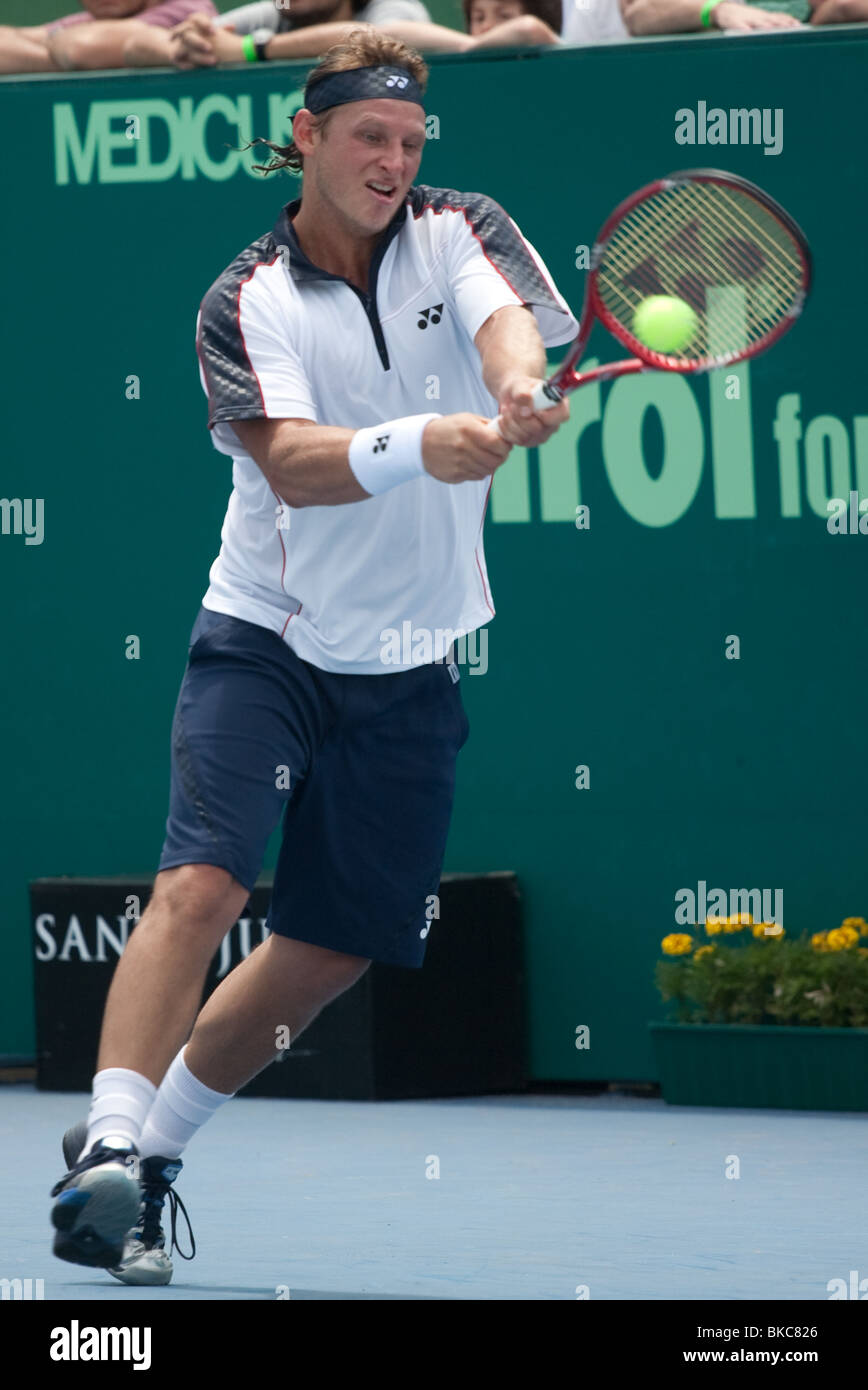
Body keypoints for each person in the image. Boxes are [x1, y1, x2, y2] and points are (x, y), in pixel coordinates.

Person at [48, 28, 576, 1286]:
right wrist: (419, 444)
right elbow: (289, 458)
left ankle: (150, 1161)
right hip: (265, 641)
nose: (393, 161)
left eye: (409, 140)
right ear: (307, 136)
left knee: (332, 948)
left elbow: (511, 333)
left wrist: (510, 393)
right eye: (367, 138)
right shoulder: (247, 297)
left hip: (412, 661)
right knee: (205, 884)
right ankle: (104, 1148)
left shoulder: (465, 228)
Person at [168, 0, 561, 62]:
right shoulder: (272, 12)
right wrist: (186, 43)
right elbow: (146, 43)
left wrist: (254, 50)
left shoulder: (397, 8)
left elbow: (374, 37)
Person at [0, 0, 216, 74]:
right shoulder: (89, 21)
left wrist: (59, 46)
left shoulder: (188, 8)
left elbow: (80, 49)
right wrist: (60, 49)